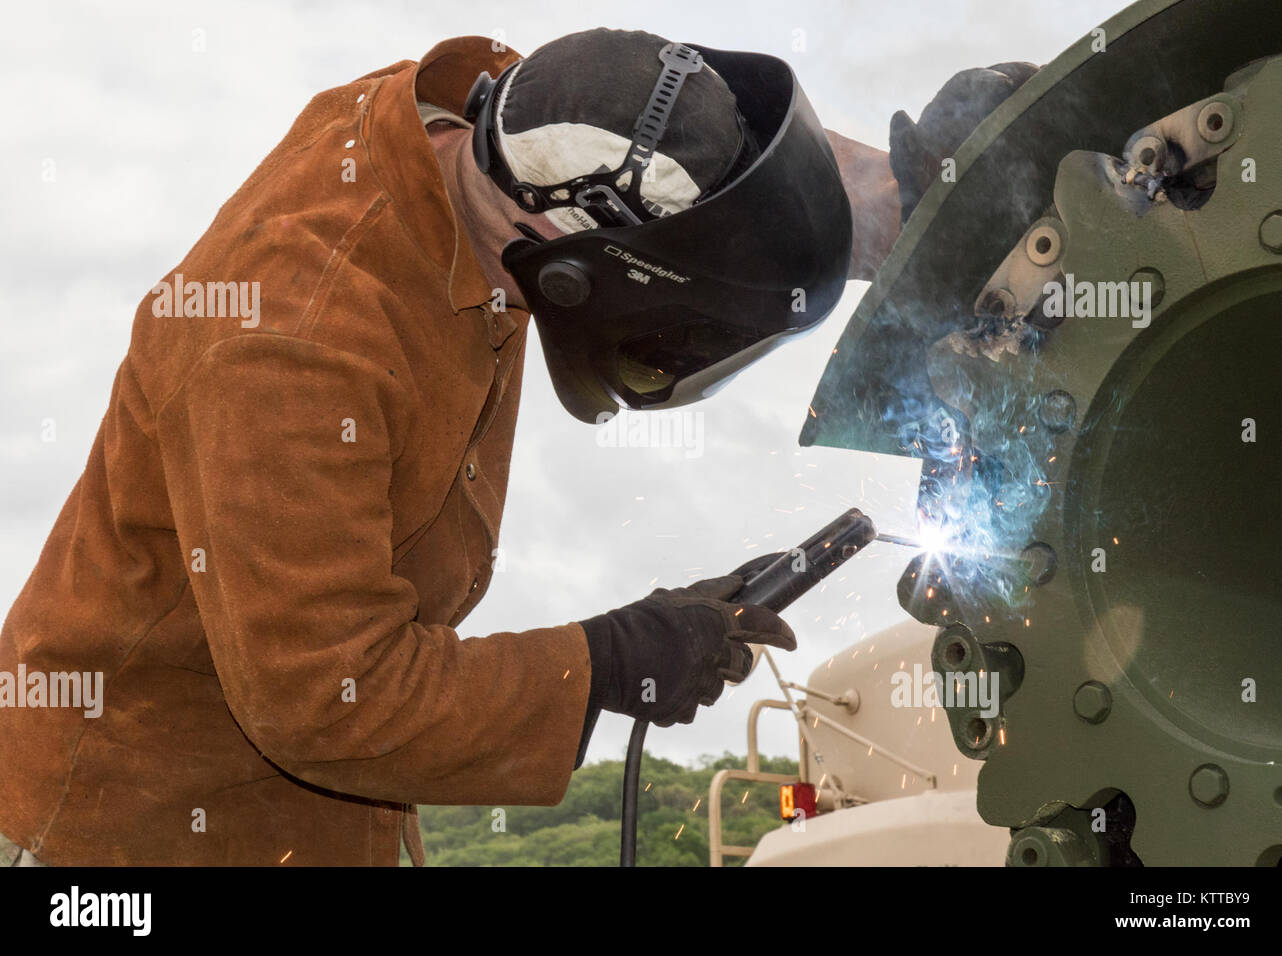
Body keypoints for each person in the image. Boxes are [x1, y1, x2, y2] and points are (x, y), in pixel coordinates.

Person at [0, 27, 1030, 866]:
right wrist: (611, 661)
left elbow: (698, 162)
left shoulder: (537, 123)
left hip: (345, 809)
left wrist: (927, 194)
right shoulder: (285, 342)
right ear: (570, 258)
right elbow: (325, 697)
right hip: (138, 826)